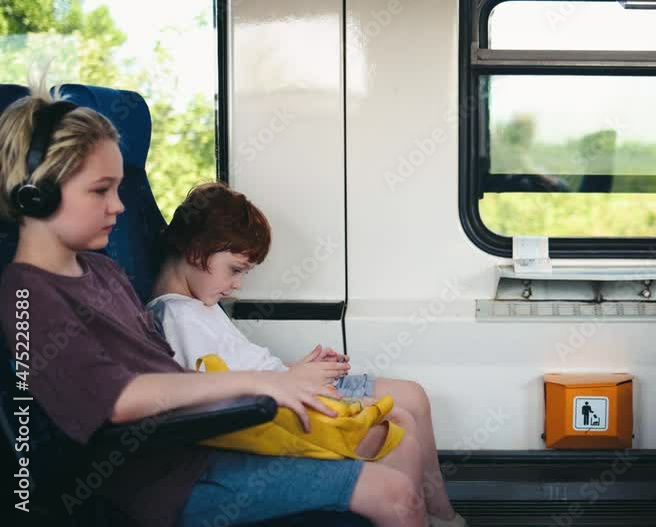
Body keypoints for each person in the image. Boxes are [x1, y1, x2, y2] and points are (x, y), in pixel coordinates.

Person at [0, 84, 429, 526]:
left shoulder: (102, 270)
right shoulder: (28, 294)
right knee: (395, 494)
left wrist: (271, 388)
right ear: (38, 193)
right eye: (100, 190)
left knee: (392, 438)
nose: (118, 206)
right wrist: (263, 384)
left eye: (118, 188)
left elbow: (167, 367)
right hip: (162, 479)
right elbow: (119, 400)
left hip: (203, 440)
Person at [147, 181, 464, 526]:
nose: (238, 285)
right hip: (275, 408)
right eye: (235, 269)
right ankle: (422, 516)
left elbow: (238, 364)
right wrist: (293, 379)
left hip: (285, 384)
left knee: (412, 398)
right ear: (195, 251)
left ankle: (439, 516)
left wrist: (297, 368)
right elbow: (212, 395)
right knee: (400, 426)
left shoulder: (199, 304)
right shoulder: (178, 317)